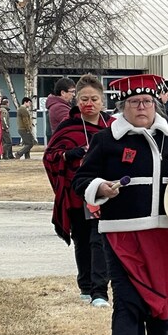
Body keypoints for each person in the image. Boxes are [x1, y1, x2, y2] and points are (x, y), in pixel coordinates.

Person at [73, 73, 168, 335]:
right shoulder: (107, 140)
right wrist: (99, 187)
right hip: (122, 235)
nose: (141, 107)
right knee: (127, 303)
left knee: (161, 301)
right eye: (134, 102)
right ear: (123, 106)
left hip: (166, 233)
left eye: (146, 102)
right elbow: (81, 178)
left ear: (156, 104)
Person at [44, 74, 114, 306]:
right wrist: (67, 154)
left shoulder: (113, 127)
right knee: (82, 240)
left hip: (104, 193)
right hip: (76, 193)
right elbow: (50, 157)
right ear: (76, 101)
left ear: (102, 101)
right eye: (84, 99)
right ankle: (85, 286)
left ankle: (99, 291)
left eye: (94, 99)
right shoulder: (68, 126)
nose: (89, 103)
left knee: (99, 238)